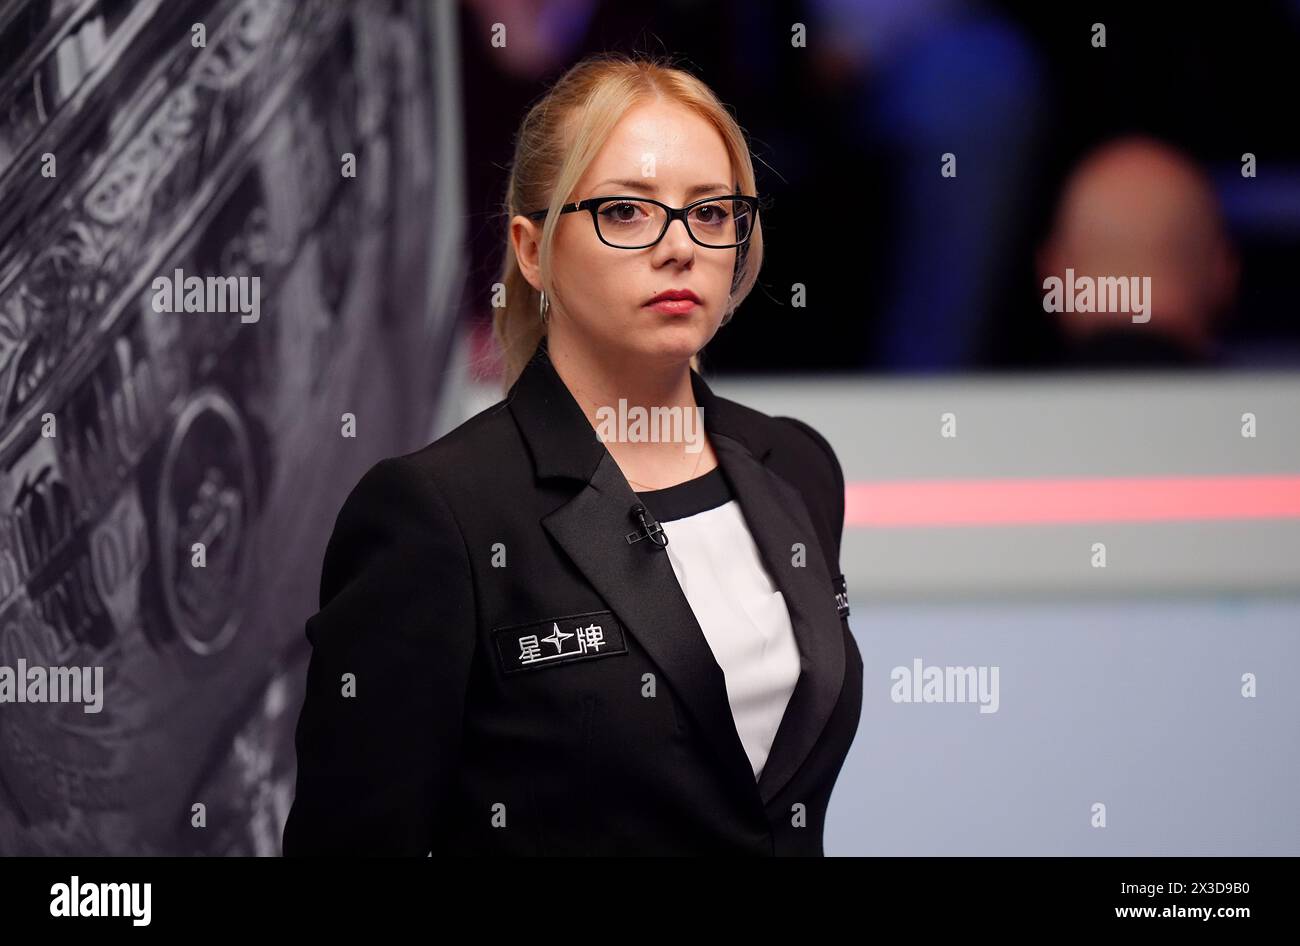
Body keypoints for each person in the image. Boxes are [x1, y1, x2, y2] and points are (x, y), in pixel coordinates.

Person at [282, 52, 863, 856]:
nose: (679, 247)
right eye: (626, 211)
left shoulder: (796, 467)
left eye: (711, 212)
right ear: (532, 248)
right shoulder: (439, 514)